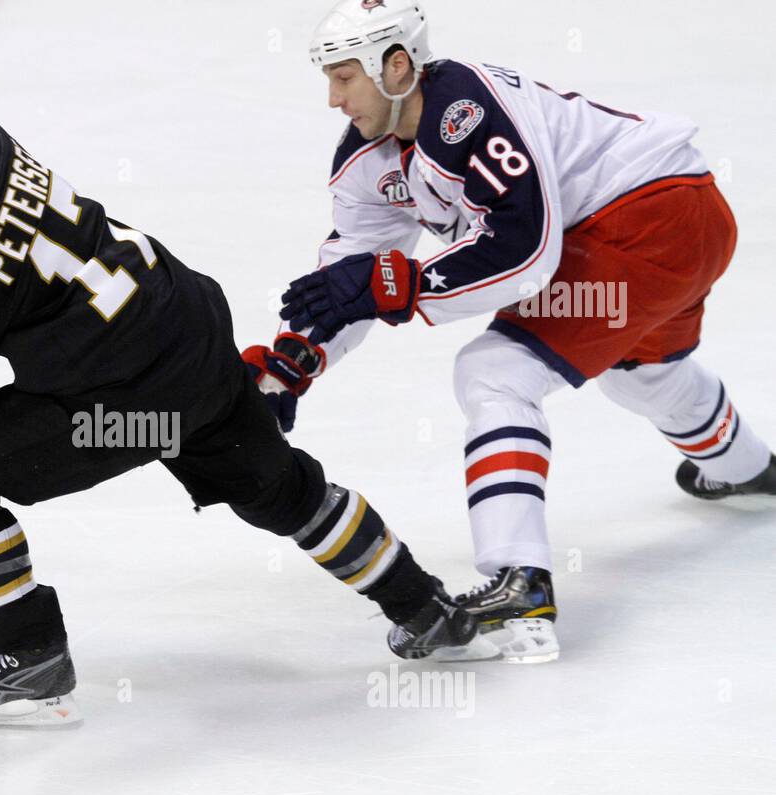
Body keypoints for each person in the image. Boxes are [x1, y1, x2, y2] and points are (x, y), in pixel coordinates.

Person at [0, 83, 496, 728]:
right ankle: (427, 610)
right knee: (282, 488)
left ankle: (29, 656)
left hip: (117, 405)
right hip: (186, 329)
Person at [244, 0, 776, 664]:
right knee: (645, 374)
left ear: (397, 65)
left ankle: (520, 582)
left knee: (495, 373)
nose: (332, 97)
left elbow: (525, 256)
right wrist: (292, 363)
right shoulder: (368, 157)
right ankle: (751, 470)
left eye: (345, 76)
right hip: (682, 220)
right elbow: (344, 274)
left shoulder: (466, 110)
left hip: (644, 219)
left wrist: (399, 284)